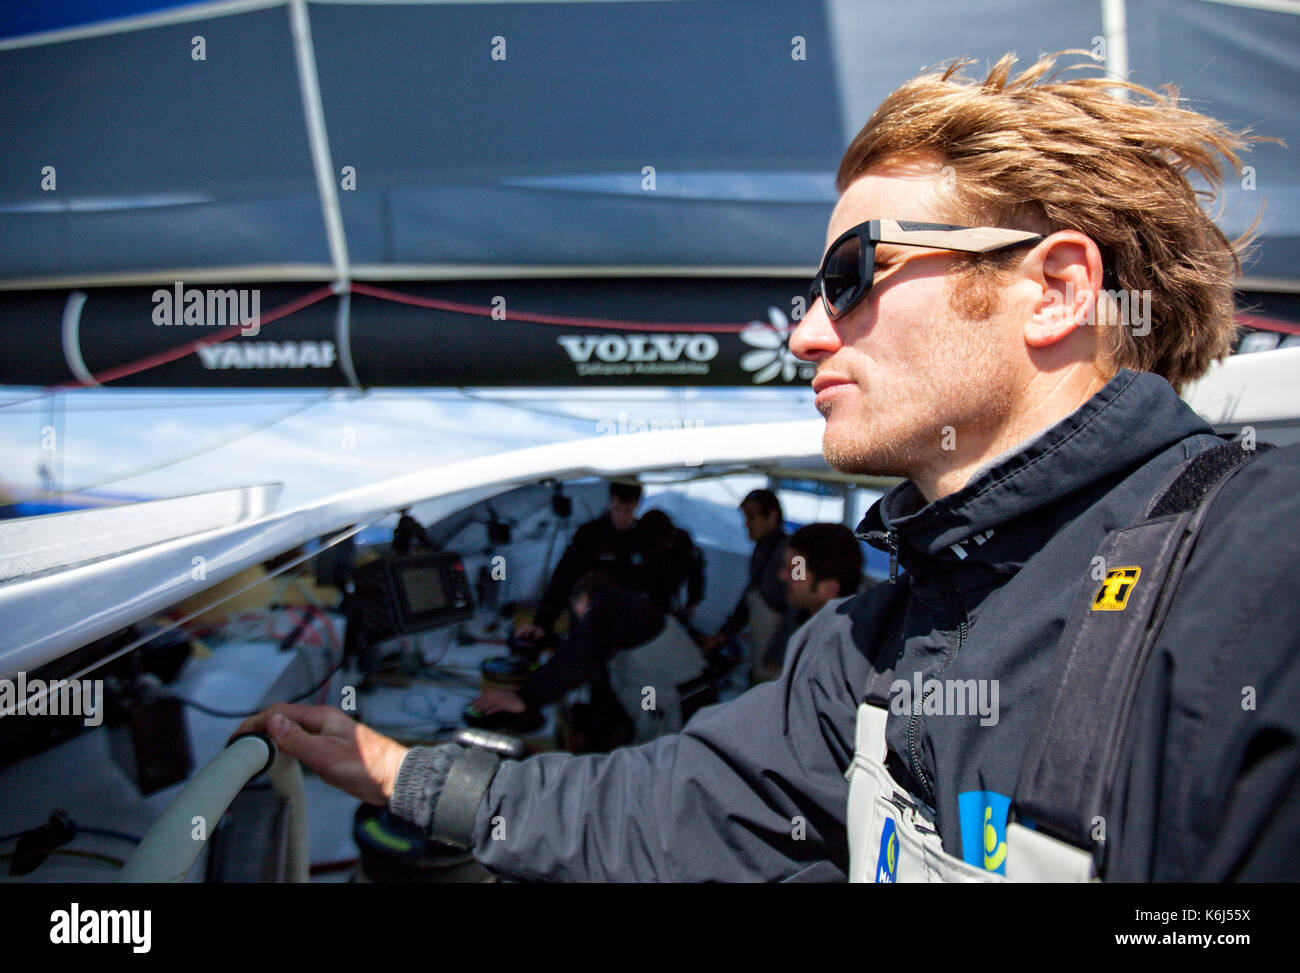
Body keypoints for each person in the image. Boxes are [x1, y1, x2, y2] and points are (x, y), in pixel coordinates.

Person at [236, 52, 1300, 882]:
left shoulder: (1260, 574)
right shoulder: (872, 641)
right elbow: (675, 806)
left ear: (1056, 291)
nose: (802, 335)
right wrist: (396, 771)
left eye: (850, 275)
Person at [473, 572, 706, 747]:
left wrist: (524, 698)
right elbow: (593, 652)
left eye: (578, 615)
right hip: (666, 695)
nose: (580, 622)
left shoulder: (610, 606)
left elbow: (582, 653)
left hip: (679, 705)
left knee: (660, 758)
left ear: (584, 600)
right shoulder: (625, 608)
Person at [514, 480, 645, 642]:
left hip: (626, 624)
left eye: (627, 511)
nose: (621, 517)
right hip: (587, 623)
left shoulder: (643, 538)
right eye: (617, 509)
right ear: (611, 502)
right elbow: (561, 580)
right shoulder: (589, 535)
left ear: (637, 505)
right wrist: (541, 624)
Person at [703, 489, 788, 683]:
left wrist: (779, 651)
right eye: (745, 517)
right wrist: (723, 635)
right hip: (761, 645)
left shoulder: (791, 555)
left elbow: (795, 608)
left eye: (752, 517)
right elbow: (749, 596)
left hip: (777, 654)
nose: (746, 523)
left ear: (772, 517)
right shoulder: (760, 550)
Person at [765, 523, 863, 680]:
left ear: (829, 589)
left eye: (795, 571)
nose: (782, 576)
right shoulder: (801, 618)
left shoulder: (840, 656)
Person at [634, 509, 706, 625]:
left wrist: (692, 603)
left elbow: (696, 573)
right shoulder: (639, 541)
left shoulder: (683, 543)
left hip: (669, 594)